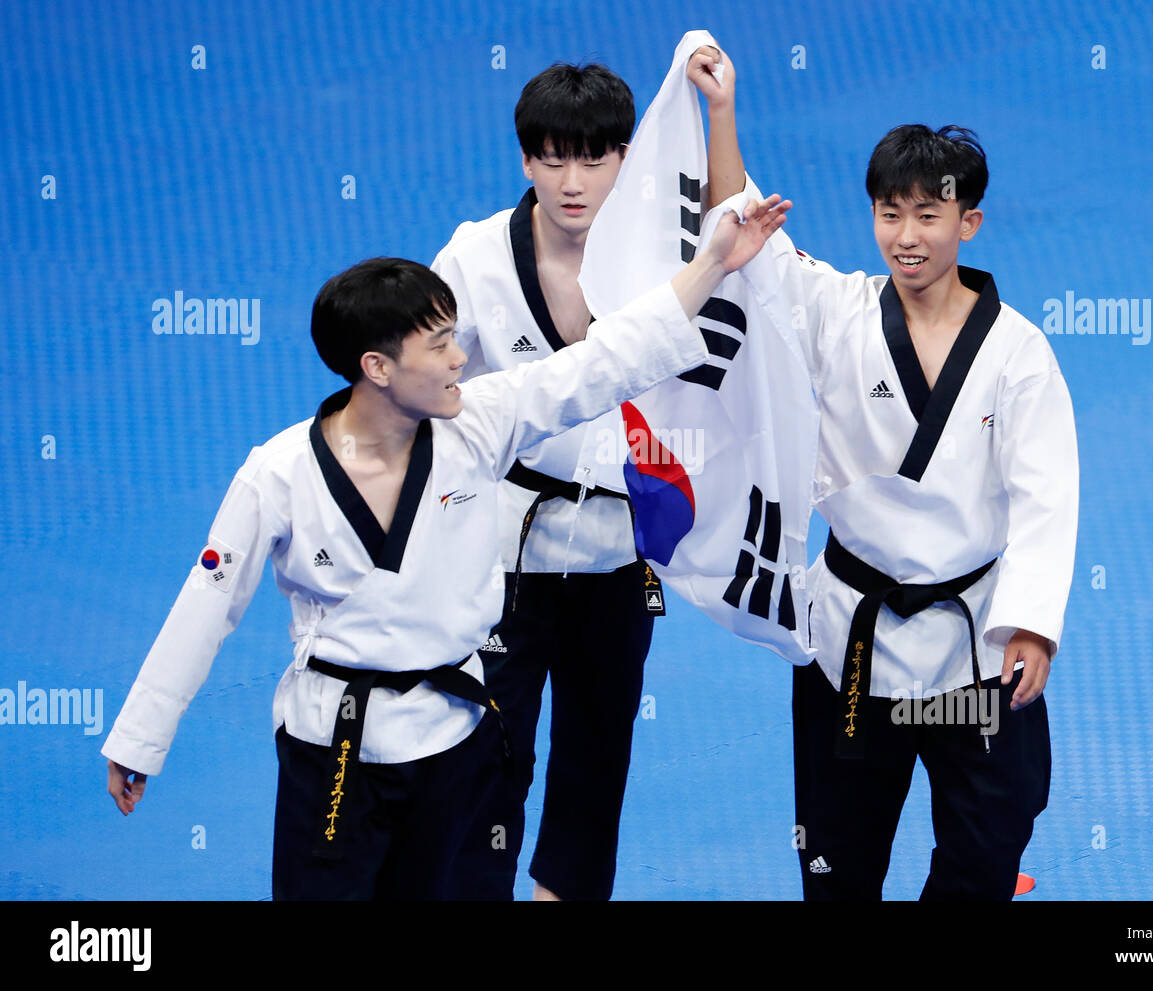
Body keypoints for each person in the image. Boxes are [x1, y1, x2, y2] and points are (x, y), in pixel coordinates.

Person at [99, 189, 790, 900]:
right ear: (377, 367)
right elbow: (207, 604)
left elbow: (603, 362)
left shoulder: (480, 427)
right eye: (440, 345)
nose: (463, 358)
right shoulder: (277, 472)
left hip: (450, 739)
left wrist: (712, 262)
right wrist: (139, 737)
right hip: (334, 748)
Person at [710, 113, 1078, 898]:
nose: (906, 235)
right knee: (836, 866)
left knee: (991, 847)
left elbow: (1048, 496)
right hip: (851, 641)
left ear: (968, 222)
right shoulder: (839, 311)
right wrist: (721, 110)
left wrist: (1034, 624)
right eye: (889, 212)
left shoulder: (1018, 353)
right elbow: (744, 228)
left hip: (970, 645)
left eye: (928, 213)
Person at [431, 46, 744, 901]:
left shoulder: (657, 256)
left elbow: (736, 234)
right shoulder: (474, 257)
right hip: (504, 553)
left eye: (595, 157)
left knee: (597, 757)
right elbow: (423, 383)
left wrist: (718, 112)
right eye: (553, 157)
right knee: (488, 751)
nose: (573, 180)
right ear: (526, 159)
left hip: (620, 553)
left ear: (624, 160)